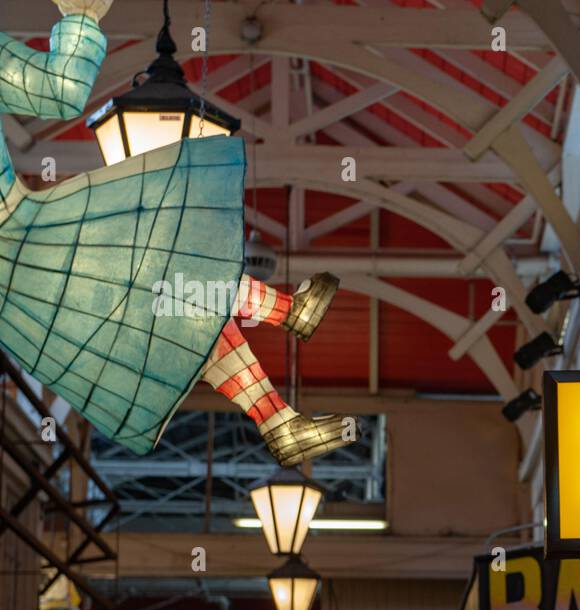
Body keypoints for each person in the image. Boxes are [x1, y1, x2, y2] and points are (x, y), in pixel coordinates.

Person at [0, 0, 349, 467]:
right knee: (172, 276)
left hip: (18, 246)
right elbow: (59, 90)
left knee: (176, 297)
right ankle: (286, 328)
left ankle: (279, 412)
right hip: (16, 242)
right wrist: (81, 13)